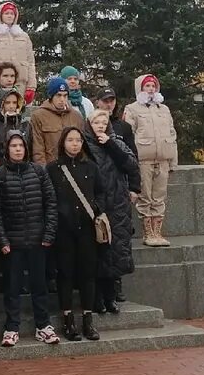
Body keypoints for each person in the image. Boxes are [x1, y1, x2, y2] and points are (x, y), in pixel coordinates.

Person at [0, 131, 59, 347]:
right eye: (13, 146)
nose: (18, 149)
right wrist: (2, 241)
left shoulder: (39, 172)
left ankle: (43, 326)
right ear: (7, 149)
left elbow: (51, 204)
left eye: (21, 145)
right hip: (13, 243)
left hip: (39, 241)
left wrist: (48, 234)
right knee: (12, 287)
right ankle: (12, 327)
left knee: (39, 285)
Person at [47, 126, 108, 342]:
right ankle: (68, 319)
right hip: (63, 230)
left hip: (87, 228)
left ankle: (88, 320)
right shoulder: (53, 169)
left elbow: (101, 191)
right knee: (65, 274)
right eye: (71, 140)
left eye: (78, 140)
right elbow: (49, 198)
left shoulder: (90, 167)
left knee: (88, 274)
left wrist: (96, 208)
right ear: (63, 142)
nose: (75, 144)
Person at [84, 109, 139, 314]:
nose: (100, 125)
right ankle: (98, 297)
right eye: (96, 122)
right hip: (97, 204)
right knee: (98, 252)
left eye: (103, 122)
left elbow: (131, 165)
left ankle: (111, 295)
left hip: (117, 204)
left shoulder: (117, 143)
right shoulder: (85, 145)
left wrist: (110, 143)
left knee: (115, 251)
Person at [124, 74, 179, 247]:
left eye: (153, 86)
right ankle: (148, 233)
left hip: (163, 158)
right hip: (143, 160)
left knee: (159, 197)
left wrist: (173, 162)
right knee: (145, 196)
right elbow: (128, 136)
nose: (151, 89)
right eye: (147, 86)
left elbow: (172, 135)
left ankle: (158, 232)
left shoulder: (164, 109)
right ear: (140, 88)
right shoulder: (132, 109)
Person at [0, 3, 37, 107]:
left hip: (21, 85)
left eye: (12, 13)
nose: (10, 16)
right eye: (6, 13)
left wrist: (31, 87)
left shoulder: (24, 37)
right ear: (1, 15)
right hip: (0, 85)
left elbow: (31, 63)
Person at [31, 76, 86, 165]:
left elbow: (83, 147)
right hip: (50, 168)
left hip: (73, 167)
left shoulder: (76, 116)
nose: (62, 99)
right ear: (51, 96)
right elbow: (38, 149)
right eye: (58, 95)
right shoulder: (38, 116)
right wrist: (43, 172)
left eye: (65, 95)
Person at [0, 89, 30, 168]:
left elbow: (29, 150)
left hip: (23, 170)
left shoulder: (24, 125)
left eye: (14, 102)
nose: (11, 106)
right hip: (0, 171)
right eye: (7, 102)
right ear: (1, 104)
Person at [99, 85, 138, 160]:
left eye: (111, 101)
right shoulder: (90, 125)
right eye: (105, 101)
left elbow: (133, 156)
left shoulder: (124, 126)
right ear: (98, 102)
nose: (109, 105)